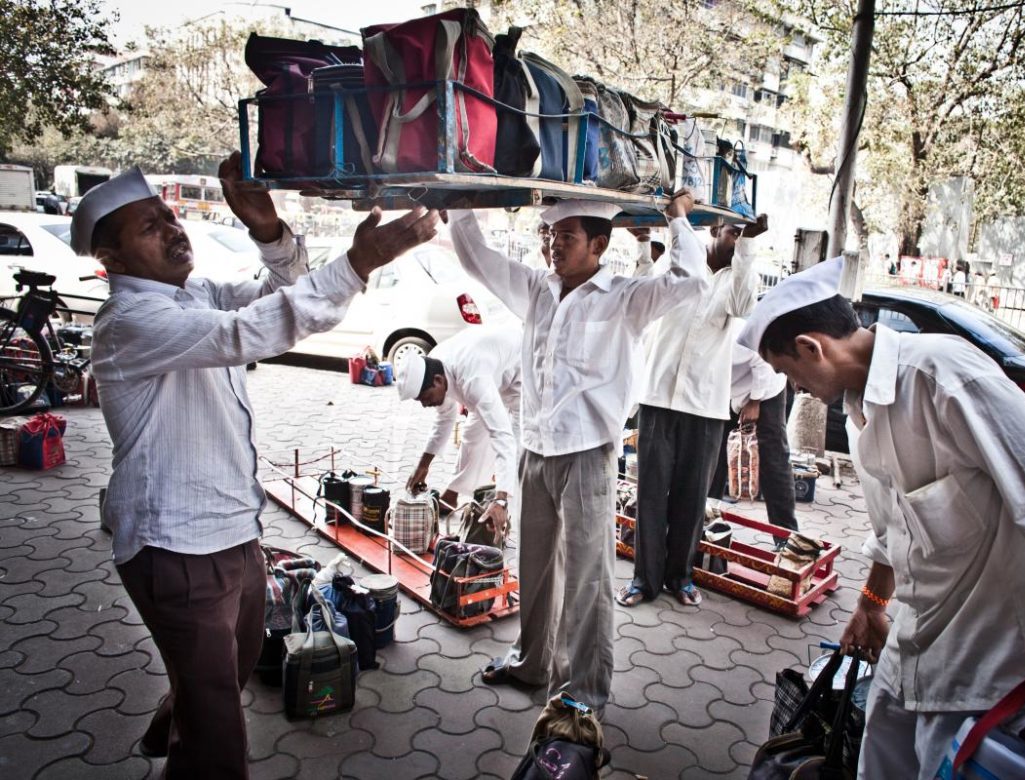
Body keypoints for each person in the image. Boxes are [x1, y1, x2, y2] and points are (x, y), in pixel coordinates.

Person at [83, 156, 438, 778]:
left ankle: (175, 721)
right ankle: (192, 746)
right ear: (110, 257)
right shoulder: (131, 320)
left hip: (233, 531)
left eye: (169, 215)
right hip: (177, 545)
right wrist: (358, 264)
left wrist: (269, 232)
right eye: (150, 226)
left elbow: (280, 295)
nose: (173, 228)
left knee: (234, 665)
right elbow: (256, 330)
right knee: (220, 722)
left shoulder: (190, 292)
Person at [739, 257, 1025, 780]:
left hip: (993, 665)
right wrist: (872, 606)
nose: (798, 388)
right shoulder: (860, 414)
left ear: (812, 347)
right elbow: (893, 529)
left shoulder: (941, 376)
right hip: (916, 646)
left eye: (790, 373)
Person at [444, 192, 707, 713]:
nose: (552, 247)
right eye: (549, 236)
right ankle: (530, 664)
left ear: (598, 244)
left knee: (588, 577)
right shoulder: (535, 289)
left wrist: (677, 219)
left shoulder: (625, 298)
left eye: (565, 237)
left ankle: (581, 691)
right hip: (535, 450)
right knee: (535, 565)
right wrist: (461, 204)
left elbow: (691, 283)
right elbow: (478, 258)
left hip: (588, 454)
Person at [618, 216, 766, 608]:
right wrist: (643, 245)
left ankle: (680, 577)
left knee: (692, 496)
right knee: (650, 492)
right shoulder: (681, 261)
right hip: (658, 397)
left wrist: (748, 246)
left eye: (742, 235)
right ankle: (643, 581)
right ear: (715, 229)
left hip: (706, 404)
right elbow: (644, 292)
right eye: (734, 232)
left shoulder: (740, 276)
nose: (737, 240)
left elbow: (744, 304)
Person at [400, 325, 523, 529]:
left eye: (425, 398)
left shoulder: (473, 380)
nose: (424, 404)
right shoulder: (434, 365)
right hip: (490, 370)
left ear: (438, 381)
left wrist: (501, 498)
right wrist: (422, 466)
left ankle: (502, 510)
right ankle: (452, 495)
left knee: (516, 446)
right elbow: (444, 420)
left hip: (522, 375)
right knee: (472, 436)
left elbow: (502, 437)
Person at [709, 343, 797, 537]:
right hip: (726, 391)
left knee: (773, 460)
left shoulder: (738, 336)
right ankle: (706, 523)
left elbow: (764, 357)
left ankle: (787, 538)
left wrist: (755, 400)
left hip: (765, 387)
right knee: (713, 456)